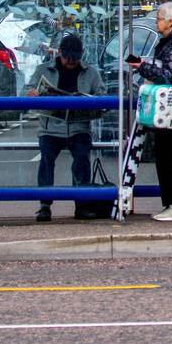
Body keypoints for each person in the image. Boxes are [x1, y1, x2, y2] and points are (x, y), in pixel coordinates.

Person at [126, 2, 172, 222]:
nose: (156, 21)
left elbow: (169, 72)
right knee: (165, 153)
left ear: (171, 21)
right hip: (170, 105)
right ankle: (171, 203)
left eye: (159, 18)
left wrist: (142, 65)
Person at [27, 33, 105, 222]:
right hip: (50, 125)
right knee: (46, 159)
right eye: (67, 58)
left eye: (75, 58)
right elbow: (27, 92)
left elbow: (102, 98)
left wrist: (92, 105)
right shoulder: (43, 70)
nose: (70, 62)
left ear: (82, 54)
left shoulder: (91, 73)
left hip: (78, 126)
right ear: (59, 53)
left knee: (81, 159)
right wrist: (33, 93)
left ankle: (82, 204)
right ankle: (44, 205)